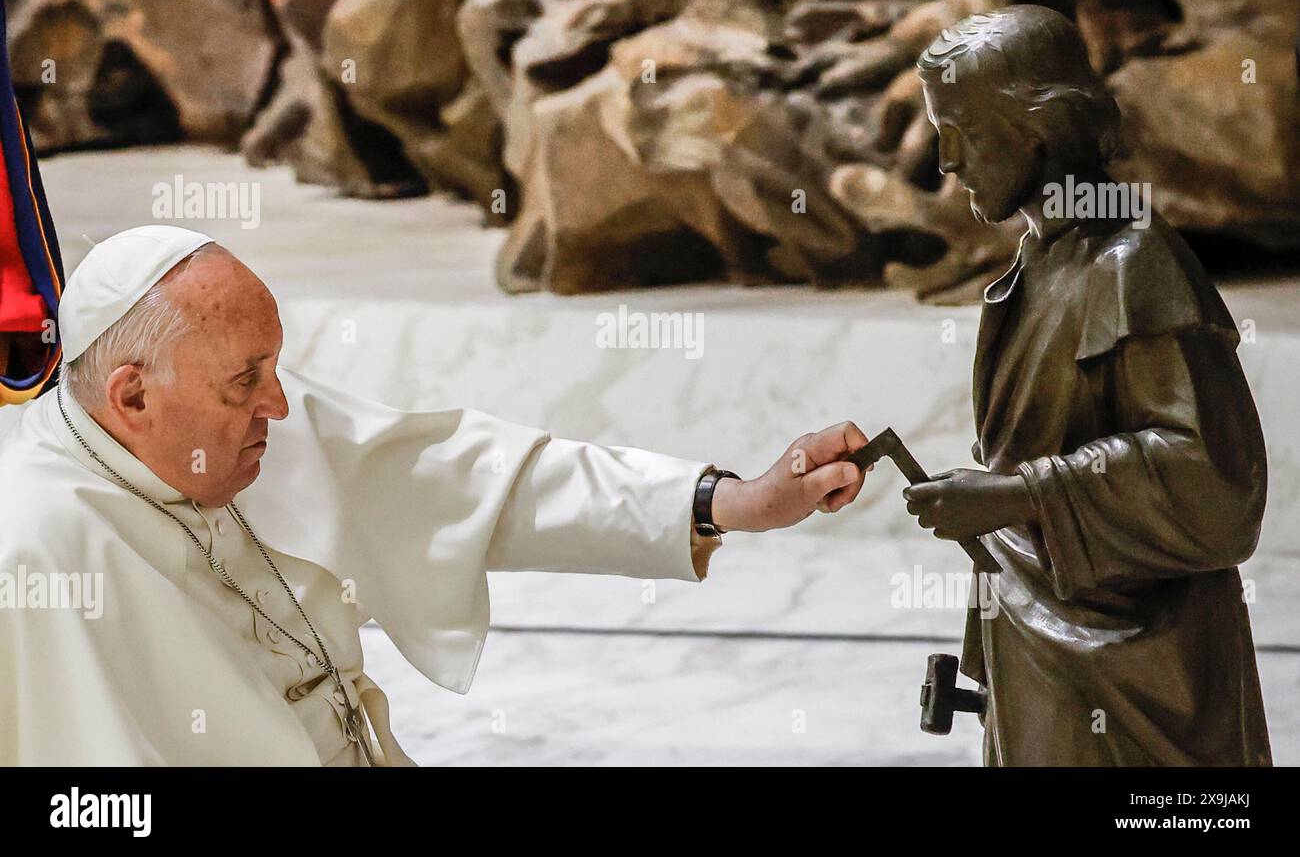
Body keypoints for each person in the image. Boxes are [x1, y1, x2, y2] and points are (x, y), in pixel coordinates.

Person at [0, 225, 871, 765]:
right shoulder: (36, 546)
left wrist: (734, 500)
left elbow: (488, 479)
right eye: (245, 381)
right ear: (132, 397)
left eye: (275, 364)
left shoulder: (251, 423)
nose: (280, 403)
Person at [903, 5, 1270, 765]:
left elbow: (1216, 486)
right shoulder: (1043, 261)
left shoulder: (1133, 267)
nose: (946, 160)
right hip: (1047, 648)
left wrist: (1017, 495)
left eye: (964, 129)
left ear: (1037, 127)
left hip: (1138, 669)